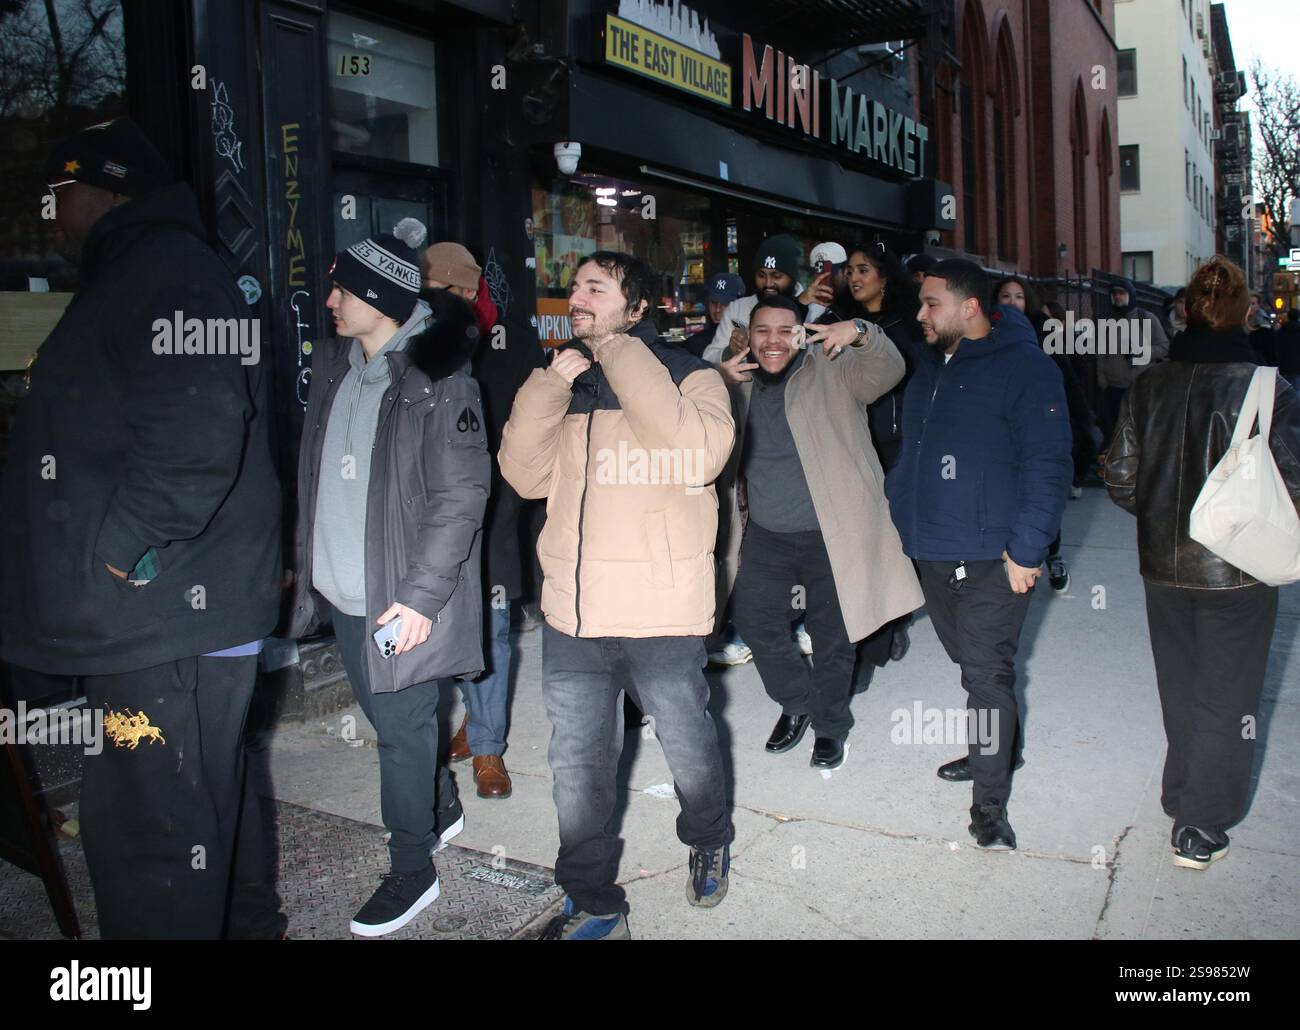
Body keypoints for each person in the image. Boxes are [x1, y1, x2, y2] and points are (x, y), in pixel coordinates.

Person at [0, 119, 282, 938]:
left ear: (105, 189)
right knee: (197, 803)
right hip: (174, 616)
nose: (50, 214)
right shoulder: (153, 268)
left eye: (57, 194)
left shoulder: (165, 271)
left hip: (165, 620)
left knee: (150, 835)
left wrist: (123, 553)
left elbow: (195, 432)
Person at [499, 251, 735, 939]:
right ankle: (592, 898)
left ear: (637, 310)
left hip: (658, 611)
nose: (577, 297)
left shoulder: (695, 376)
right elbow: (523, 476)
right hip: (573, 613)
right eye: (574, 286)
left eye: (596, 288)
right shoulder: (570, 382)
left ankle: (708, 834)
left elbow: (695, 455)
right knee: (576, 766)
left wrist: (621, 353)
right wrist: (548, 386)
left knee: (688, 747)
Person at [288, 228, 490, 937]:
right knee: (388, 719)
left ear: (378, 298)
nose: (331, 300)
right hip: (341, 588)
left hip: (399, 594)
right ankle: (439, 807)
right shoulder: (336, 367)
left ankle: (413, 868)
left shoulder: (440, 381)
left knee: (400, 734)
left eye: (342, 288)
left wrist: (421, 598)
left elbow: (462, 495)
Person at [1104, 255, 1300, 871]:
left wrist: (1163, 513)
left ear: (1185, 312)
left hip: (1163, 565)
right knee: (1229, 694)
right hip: (1239, 568)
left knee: (1181, 684)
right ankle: (1201, 823)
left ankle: (1180, 792)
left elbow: (1117, 473)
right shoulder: (1270, 388)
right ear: (1245, 313)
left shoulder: (1148, 384)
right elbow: (1293, 480)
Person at [886, 259, 1072, 850]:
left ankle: (989, 806)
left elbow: (1049, 463)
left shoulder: (1024, 368)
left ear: (969, 307)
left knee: (987, 675)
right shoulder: (929, 367)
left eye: (931, 303)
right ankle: (999, 746)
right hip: (932, 548)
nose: (920, 314)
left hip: (995, 555)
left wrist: (1028, 547)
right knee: (968, 663)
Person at [715, 295, 922, 769]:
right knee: (753, 620)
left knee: (833, 637)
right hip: (765, 532)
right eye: (763, 330)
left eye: (785, 330)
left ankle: (831, 727)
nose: (773, 341)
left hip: (833, 533)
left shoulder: (833, 368)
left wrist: (863, 332)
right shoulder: (735, 385)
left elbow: (888, 371)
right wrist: (716, 380)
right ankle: (797, 701)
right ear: (749, 335)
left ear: (802, 333)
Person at [421, 240, 544, 801]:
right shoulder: (414, 340)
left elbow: (535, 427)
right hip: (426, 514)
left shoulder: (513, 341)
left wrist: (516, 499)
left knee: (491, 631)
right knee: (431, 629)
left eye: (454, 290)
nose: (446, 301)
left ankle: (489, 745)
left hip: (494, 513)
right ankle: (473, 721)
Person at [816, 243, 927, 683]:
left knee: (894, 533)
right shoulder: (833, 319)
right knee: (857, 534)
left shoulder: (909, 321)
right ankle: (867, 622)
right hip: (850, 440)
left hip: (897, 441)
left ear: (885, 276)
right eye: (850, 270)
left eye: (864, 269)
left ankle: (894, 618)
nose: (855, 277)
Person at [995, 276, 1088, 593]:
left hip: (1039, 428)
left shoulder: (1045, 331)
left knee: (1041, 495)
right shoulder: (984, 334)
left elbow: (1070, 379)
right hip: (1002, 431)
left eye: (1019, 296)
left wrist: (1085, 422)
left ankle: (1053, 555)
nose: (1012, 302)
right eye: (1005, 296)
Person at [703, 234, 829, 364]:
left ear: (792, 277)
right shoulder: (737, 309)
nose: (768, 283)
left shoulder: (814, 309)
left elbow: (805, 356)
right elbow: (708, 360)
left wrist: (800, 305)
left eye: (777, 276)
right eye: (761, 275)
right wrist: (730, 351)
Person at [1097, 277, 1169, 447]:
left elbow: (1164, 347)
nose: (1117, 297)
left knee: (1142, 430)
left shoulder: (1148, 319)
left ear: (1131, 295)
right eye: (1114, 294)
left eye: (1121, 293)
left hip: (1141, 386)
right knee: (1116, 432)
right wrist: (1102, 379)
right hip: (1115, 388)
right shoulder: (1106, 323)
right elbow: (1100, 353)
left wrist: (1143, 351)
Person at [683, 271, 745, 359]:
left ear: (739, 305)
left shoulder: (752, 340)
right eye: (714, 302)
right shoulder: (694, 344)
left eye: (725, 303)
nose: (717, 309)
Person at [1280, 307, 1300, 390]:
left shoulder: (1282, 330)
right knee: (1297, 389)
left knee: (1285, 390)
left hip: (1284, 364)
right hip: (1298, 365)